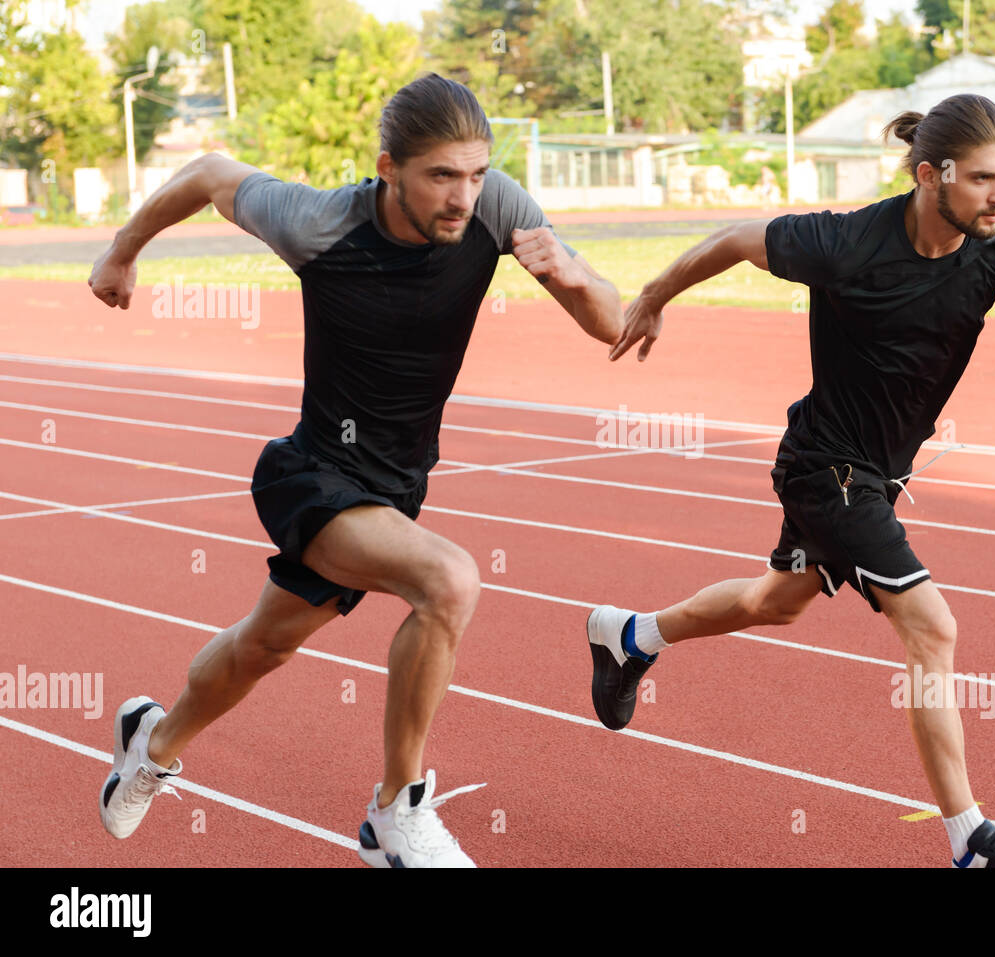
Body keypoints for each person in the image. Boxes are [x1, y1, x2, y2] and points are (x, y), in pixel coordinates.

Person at [88, 74, 622, 868]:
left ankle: (151, 744)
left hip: (395, 485)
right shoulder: (317, 223)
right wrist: (120, 250)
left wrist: (578, 280)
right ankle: (392, 813)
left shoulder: (499, 206)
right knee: (449, 581)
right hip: (313, 473)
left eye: (475, 174)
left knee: (262, 647)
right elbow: (207, 173)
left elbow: (612, 322)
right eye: (441, 176)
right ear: (387, 168)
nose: (463, 197)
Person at [587, 94, 995, 868]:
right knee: (933, 627)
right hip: (825, 468)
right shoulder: (847, 240)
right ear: (932, 175)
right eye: (986, 178)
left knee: (775, 601)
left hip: (881, 474)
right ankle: (973, 845)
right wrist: (654, 295)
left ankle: (629, 636)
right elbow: (732, 239)